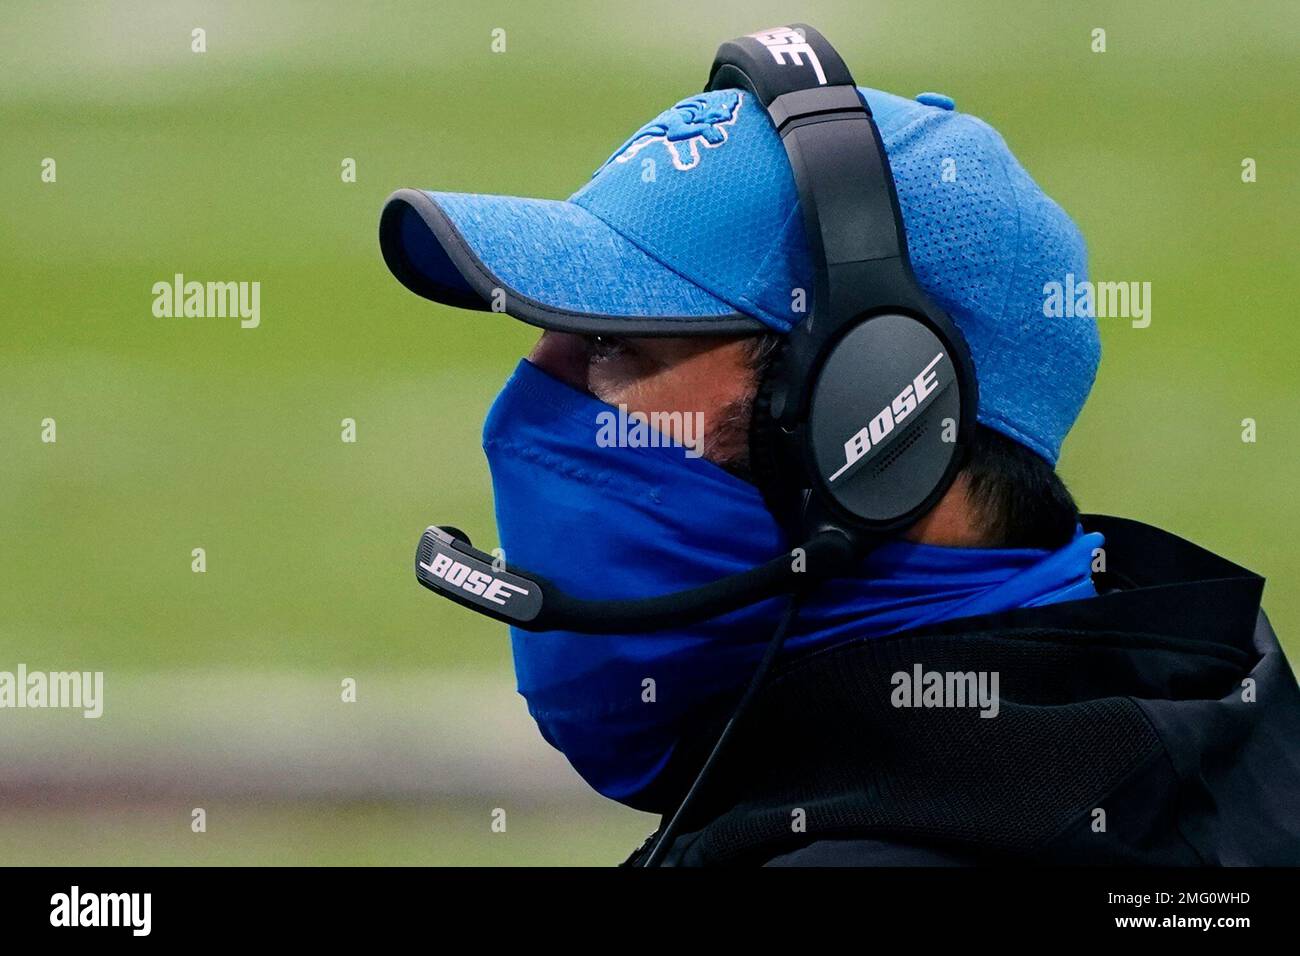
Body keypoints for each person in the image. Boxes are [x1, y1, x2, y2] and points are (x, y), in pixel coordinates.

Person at [379, 54, 1300, 865]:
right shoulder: (1196, 714)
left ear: (874, 417)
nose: (527, 408)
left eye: (616, 349)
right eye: (550, 338)